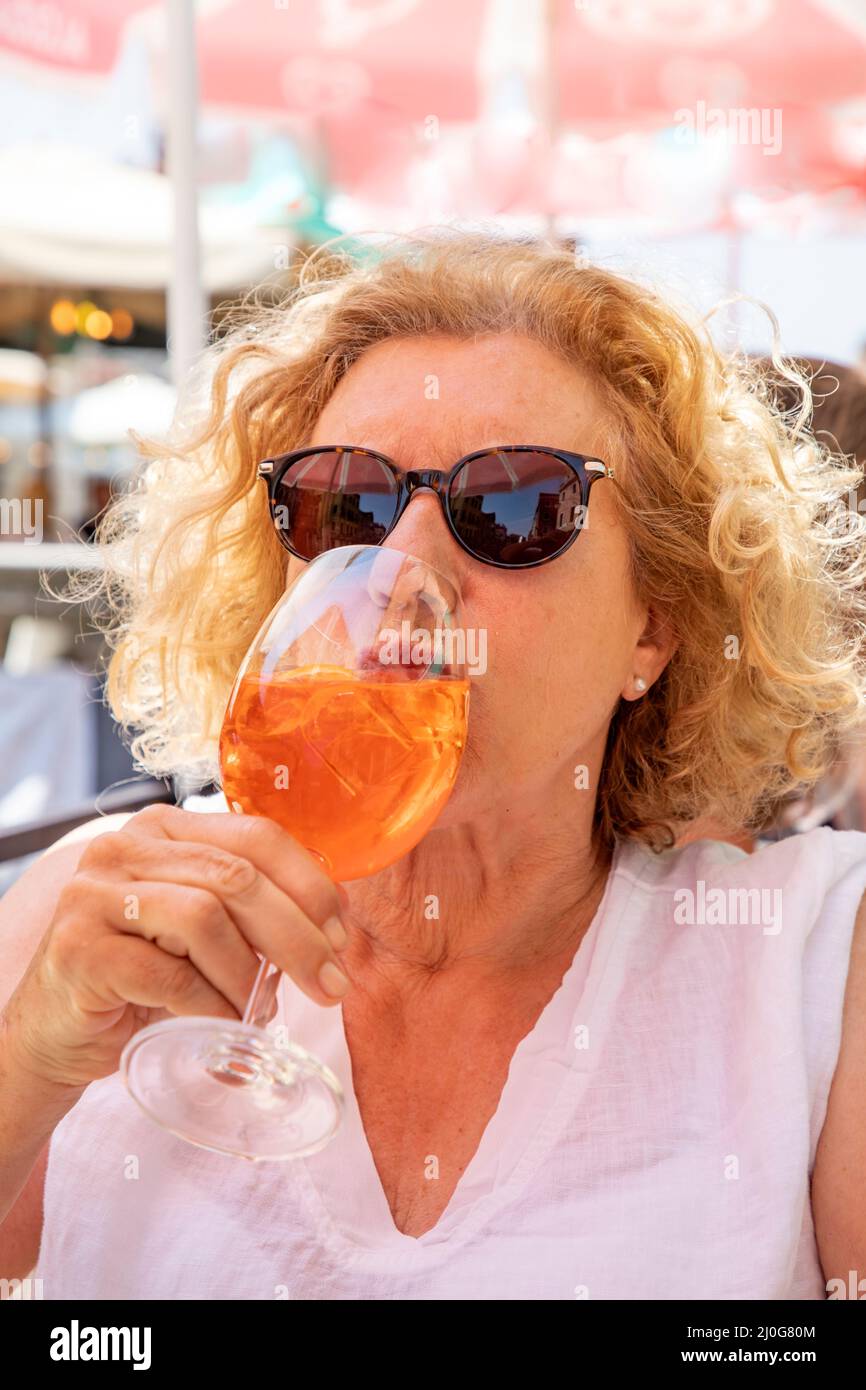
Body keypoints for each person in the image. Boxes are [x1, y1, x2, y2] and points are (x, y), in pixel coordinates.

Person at [2, 231, 866, 1300]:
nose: (402, 569)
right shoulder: (99, 919)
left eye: (509, 508)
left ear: (655, 625)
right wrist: (28, 1066)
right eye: (345, 507)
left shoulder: (812, 972)